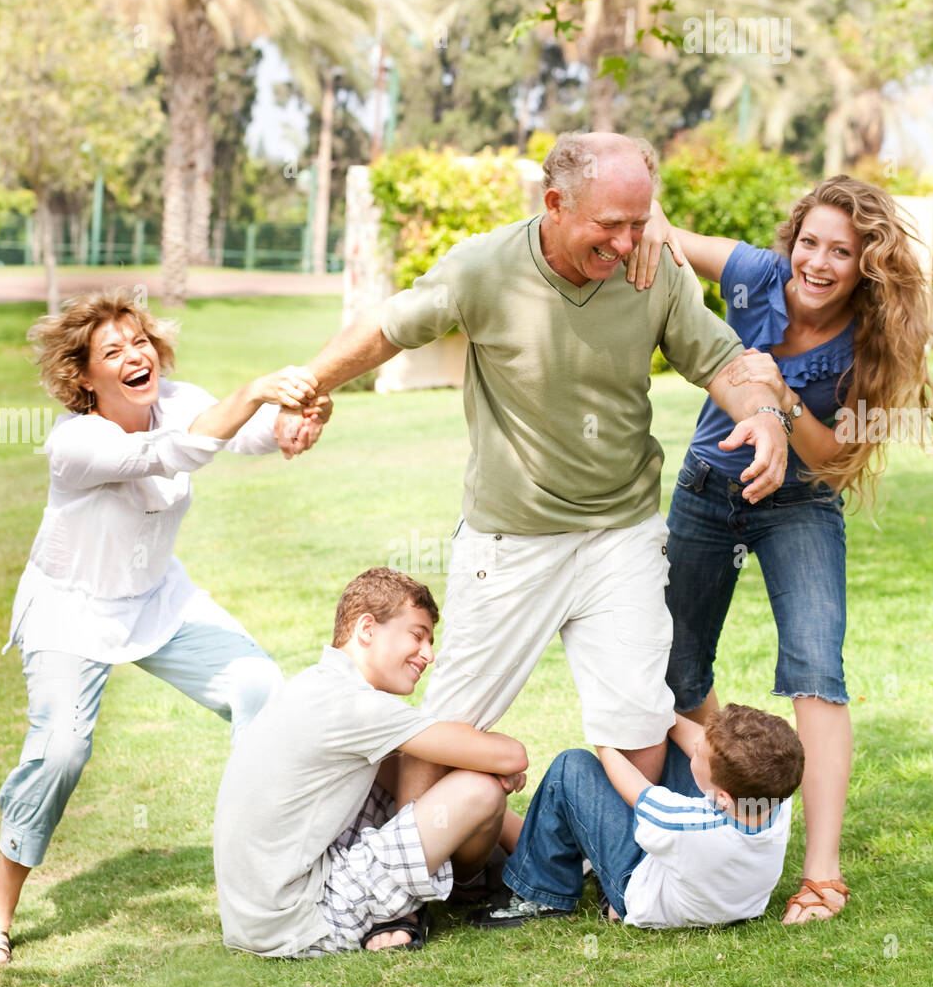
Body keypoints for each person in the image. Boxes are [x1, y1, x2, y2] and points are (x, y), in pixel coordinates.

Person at [271, 131, 792, 840]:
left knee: (636, 711)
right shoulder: (484, 267)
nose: (627, 240)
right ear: (555, 204)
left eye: (639, 222)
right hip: (510, 537)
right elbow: (387, 329)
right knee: (450, 719)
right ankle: (406, 879)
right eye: (609, 224)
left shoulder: (652, 269)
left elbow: (721, 359)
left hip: (621, 533)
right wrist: (307, 389)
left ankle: (623, 873)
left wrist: (763, 415)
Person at [0, 289, 329, 966]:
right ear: (83, 377)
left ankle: (257, 871)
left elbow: (246, 433)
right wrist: (256, 389)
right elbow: (183, 452)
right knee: (60, 754)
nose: (135, 355)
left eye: (139, 341)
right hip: (71, 609)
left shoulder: (178, 398)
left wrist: (294, 421)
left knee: (259, 687)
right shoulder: (75, 443)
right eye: (113, 351)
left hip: (157, 598)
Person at [626, 176, 933, 924]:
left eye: (841, 250)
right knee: (677, 668)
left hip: (798, 506)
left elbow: (832, 455)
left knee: (815, 671)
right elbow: (663, 234)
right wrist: (642, 199)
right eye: (808, 244)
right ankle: (714, 816)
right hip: (706, 490)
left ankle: (820, 876)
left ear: (865, 262)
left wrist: (779, 397)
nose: (818, 263)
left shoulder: (869, 340)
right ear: (788, 244)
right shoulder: (755, 276)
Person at [213, 567, 528, 956]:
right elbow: (513, 756)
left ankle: (524, 851)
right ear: (367, 629)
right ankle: (489, 875)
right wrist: (491, 763)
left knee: (421, 761)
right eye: (417, 635)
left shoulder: (316, 685)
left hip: (258, 916)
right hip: (301, 919)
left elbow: (408, 770)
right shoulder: (354, 705)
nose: (428, 654)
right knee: (478, 790)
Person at [474, 704, 804, 931]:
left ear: (723, 798)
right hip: (733, 901)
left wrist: (605, 732)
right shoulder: (774, 798)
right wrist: (659, 711)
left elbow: (630, 783)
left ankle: (540, 892)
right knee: (673, 746)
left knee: (571, 768)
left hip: (640, 890)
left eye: (701, 752)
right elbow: (696, 745)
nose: (696, 746)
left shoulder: (682, 820)